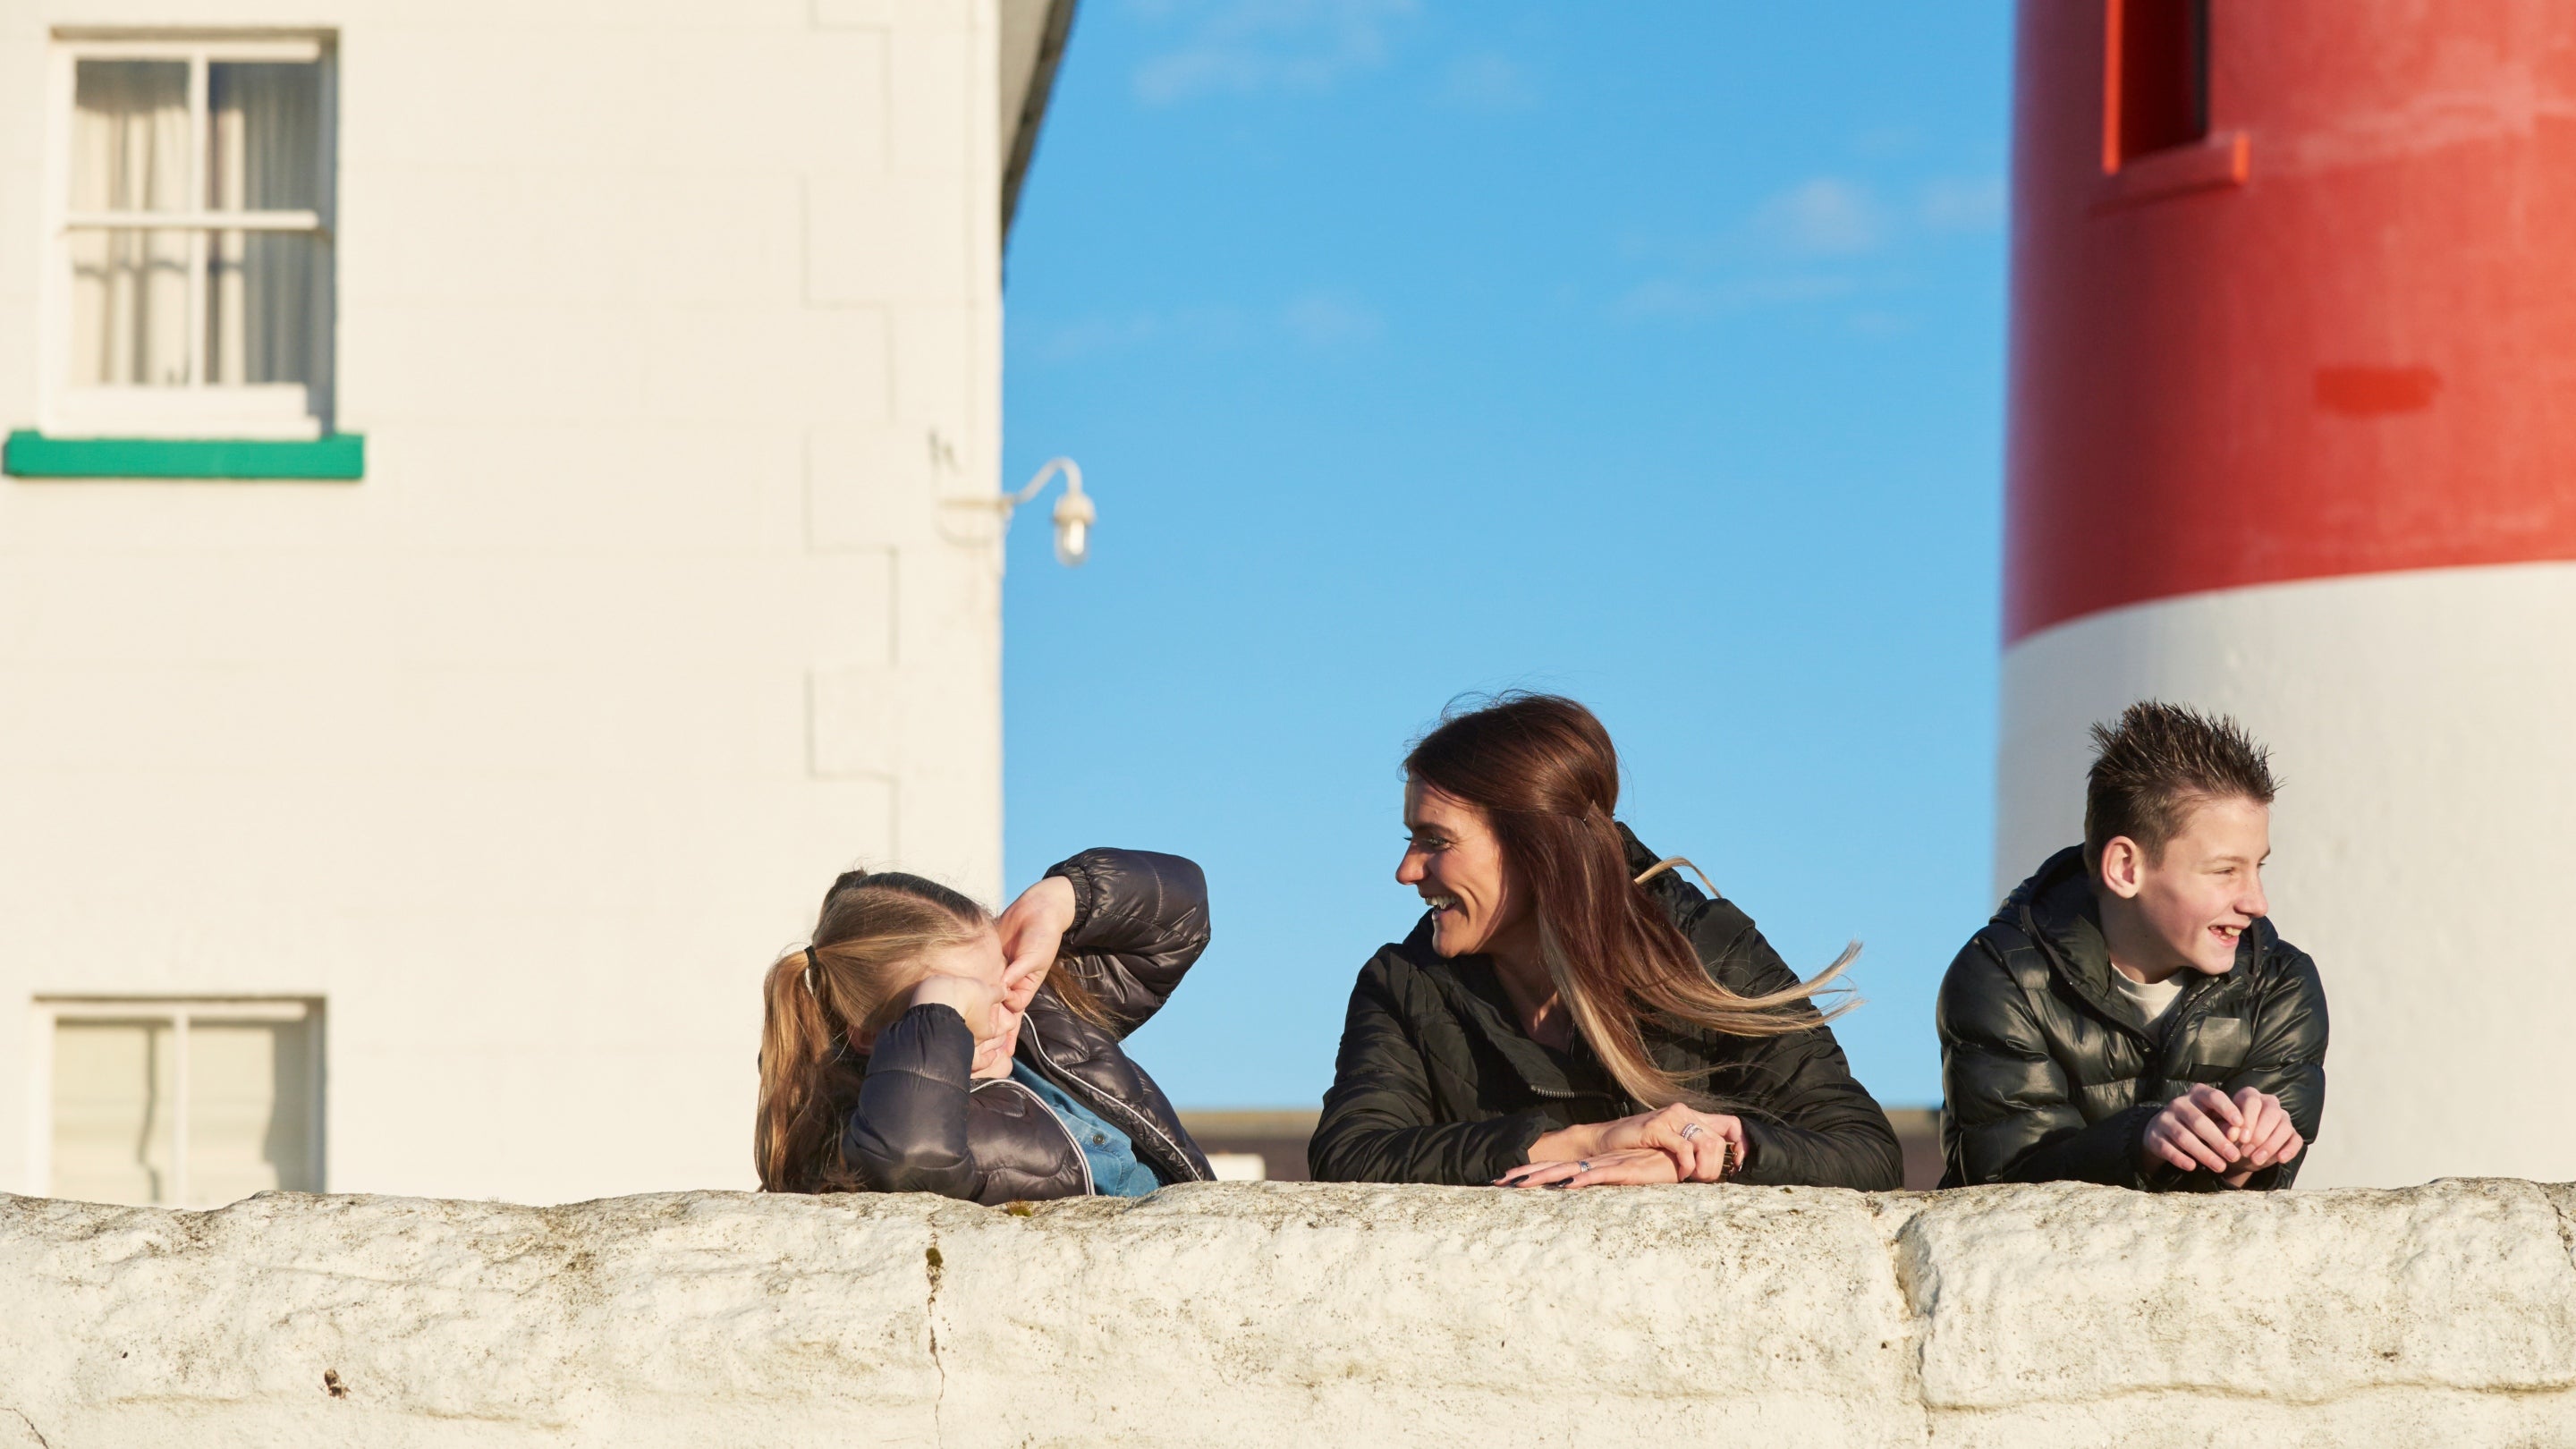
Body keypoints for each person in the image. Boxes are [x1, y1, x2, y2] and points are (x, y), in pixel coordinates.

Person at [1309, 693, 1903, 1191]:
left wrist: (1702, 1157)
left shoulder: (1707, 945)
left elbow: (1865, 1152)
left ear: (1537, 850)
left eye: (1435, 841)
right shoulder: (1402, 984)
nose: (1407, 871)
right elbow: (1349, 1158)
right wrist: (1587, 1143)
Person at [1937, 700, 2326, 1190]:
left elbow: (2243, 1217)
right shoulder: (2002, 977)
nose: (2257, 903)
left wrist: (2250, 1161)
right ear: (2126, 868)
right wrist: (2142, 1142)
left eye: (2258, 867)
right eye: (2225, 871)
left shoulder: (2281, 985)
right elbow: (2006, 1184)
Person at [755, 848, 1216, 1201]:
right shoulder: (870, 1129)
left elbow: (1180, 919)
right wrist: (942, 1006)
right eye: (964, 1005)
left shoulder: (1035, 1020)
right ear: (871, 1034)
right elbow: (913, 1158)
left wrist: (1057, 901)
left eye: (998, 977)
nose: (1003, 1013)